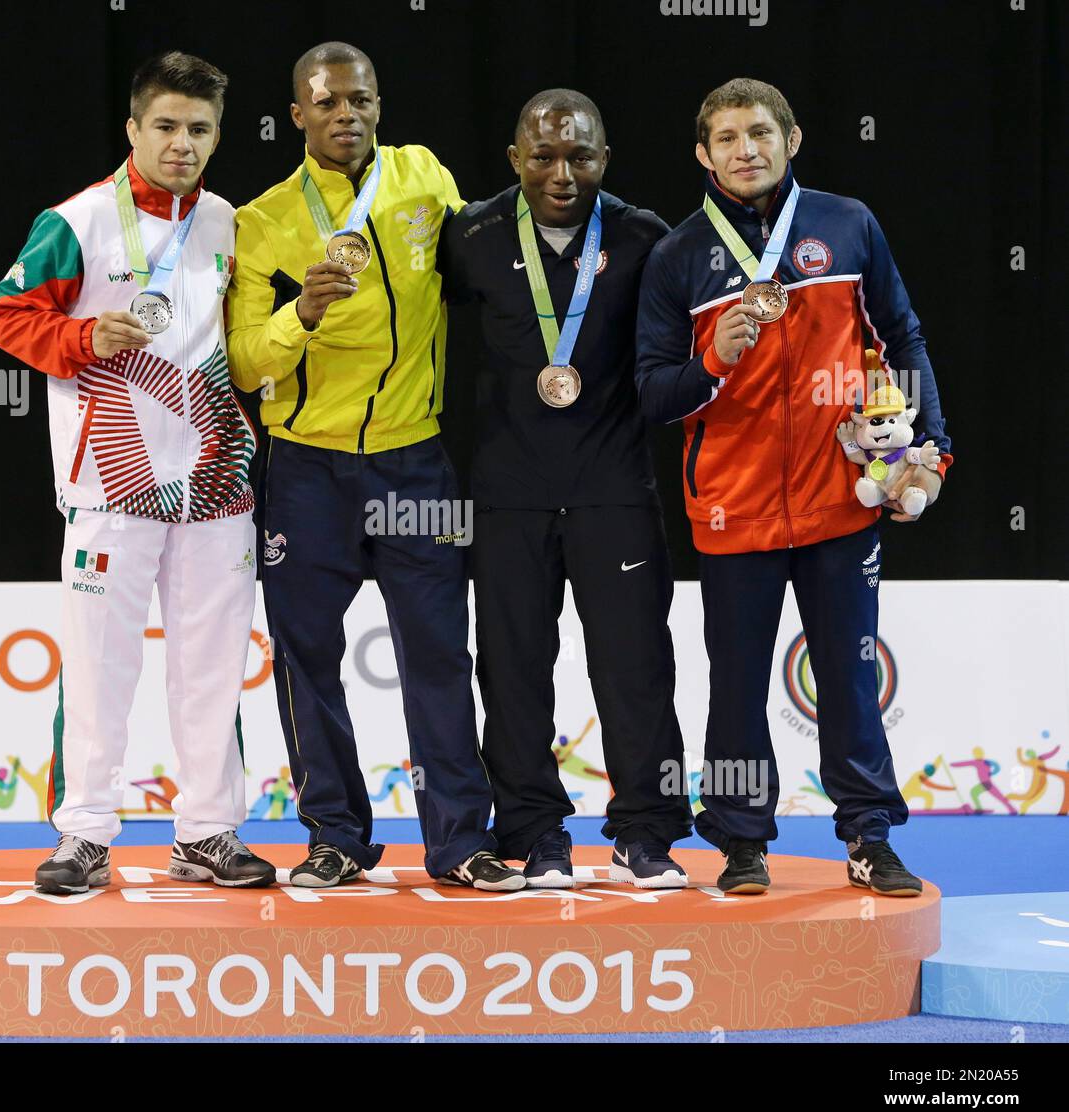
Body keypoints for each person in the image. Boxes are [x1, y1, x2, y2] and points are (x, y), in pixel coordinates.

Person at [636, 77, 953, 896]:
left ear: (793, 139)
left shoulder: (847, 226)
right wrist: (714, 359)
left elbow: (903, 332)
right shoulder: (676, 257)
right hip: (730, 508)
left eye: (761, 133)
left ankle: (869, 835)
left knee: (848, 675)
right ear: (703, 155)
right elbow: (653, 394)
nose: (747, 150)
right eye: (729, 138)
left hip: (839, 501)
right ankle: (743, 842)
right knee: (737, 686)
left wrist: (933, 448)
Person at [226, 41, 522, 890]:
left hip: (414, 461)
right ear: (297, 116)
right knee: (305, 657)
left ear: (379, 105)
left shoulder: (425, 177)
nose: (344, 114)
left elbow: (481, 269)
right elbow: (245, 363)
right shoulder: (263, 220)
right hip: (306, 470)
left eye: (358, 99)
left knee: (438, 654)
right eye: (325, 103)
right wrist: (300, 316)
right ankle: (336, 835)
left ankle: (460, 841)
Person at [0, 50, 274, 894]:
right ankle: (83, 835)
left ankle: (208, 832)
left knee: (216, 663)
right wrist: (83, 339)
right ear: (133, 129)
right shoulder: (76, 222)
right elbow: (8, 317)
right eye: (166, 127)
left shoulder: (226, 220)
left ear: (217, 136)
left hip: (216, 482)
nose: (182, 144)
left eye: (199, 130)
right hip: (111, 486)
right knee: (100, 665)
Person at [439, 90, 691, 889]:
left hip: (614, 486)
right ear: (514, 159)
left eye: (579, 156)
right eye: (542, 156)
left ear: (604, 159)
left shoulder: (646, 237)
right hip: (506, 492)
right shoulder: (471, 236)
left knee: (635, 667)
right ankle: (534, 833)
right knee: (513, 669)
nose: (560, 172)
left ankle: (645, 831)